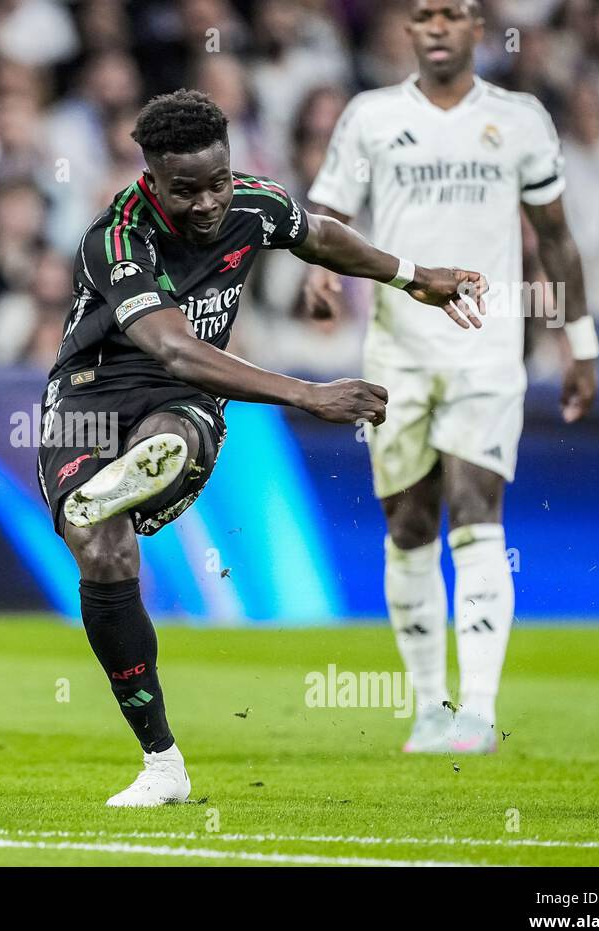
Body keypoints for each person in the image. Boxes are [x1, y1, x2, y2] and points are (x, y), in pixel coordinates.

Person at [39, 87, 486, 806]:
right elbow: (177, 349)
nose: (209, 202)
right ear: (152, 177)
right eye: (187, 190)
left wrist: (411, 276)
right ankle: (163, 763)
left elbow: (321, 236)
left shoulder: (255, 202)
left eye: (218, 181)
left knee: (172, 434)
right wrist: (309, 394)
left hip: (176, 398)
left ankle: (140, 474)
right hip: (89, 399)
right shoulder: (119, 238)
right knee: (101, 549)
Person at [303, 0, 597, 754]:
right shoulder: (369, 116)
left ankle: (478, 710)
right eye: (425, 13)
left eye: (454, 13)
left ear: (477, 28)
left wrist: (580, 341)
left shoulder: (521, 117)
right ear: (409, 30)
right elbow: (325, 213)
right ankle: (430, 707)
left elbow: (556, 237)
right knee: (408, 524)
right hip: (397, 352)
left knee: (475, 508)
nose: (437, 25)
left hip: (489, 348)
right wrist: (319, 277)